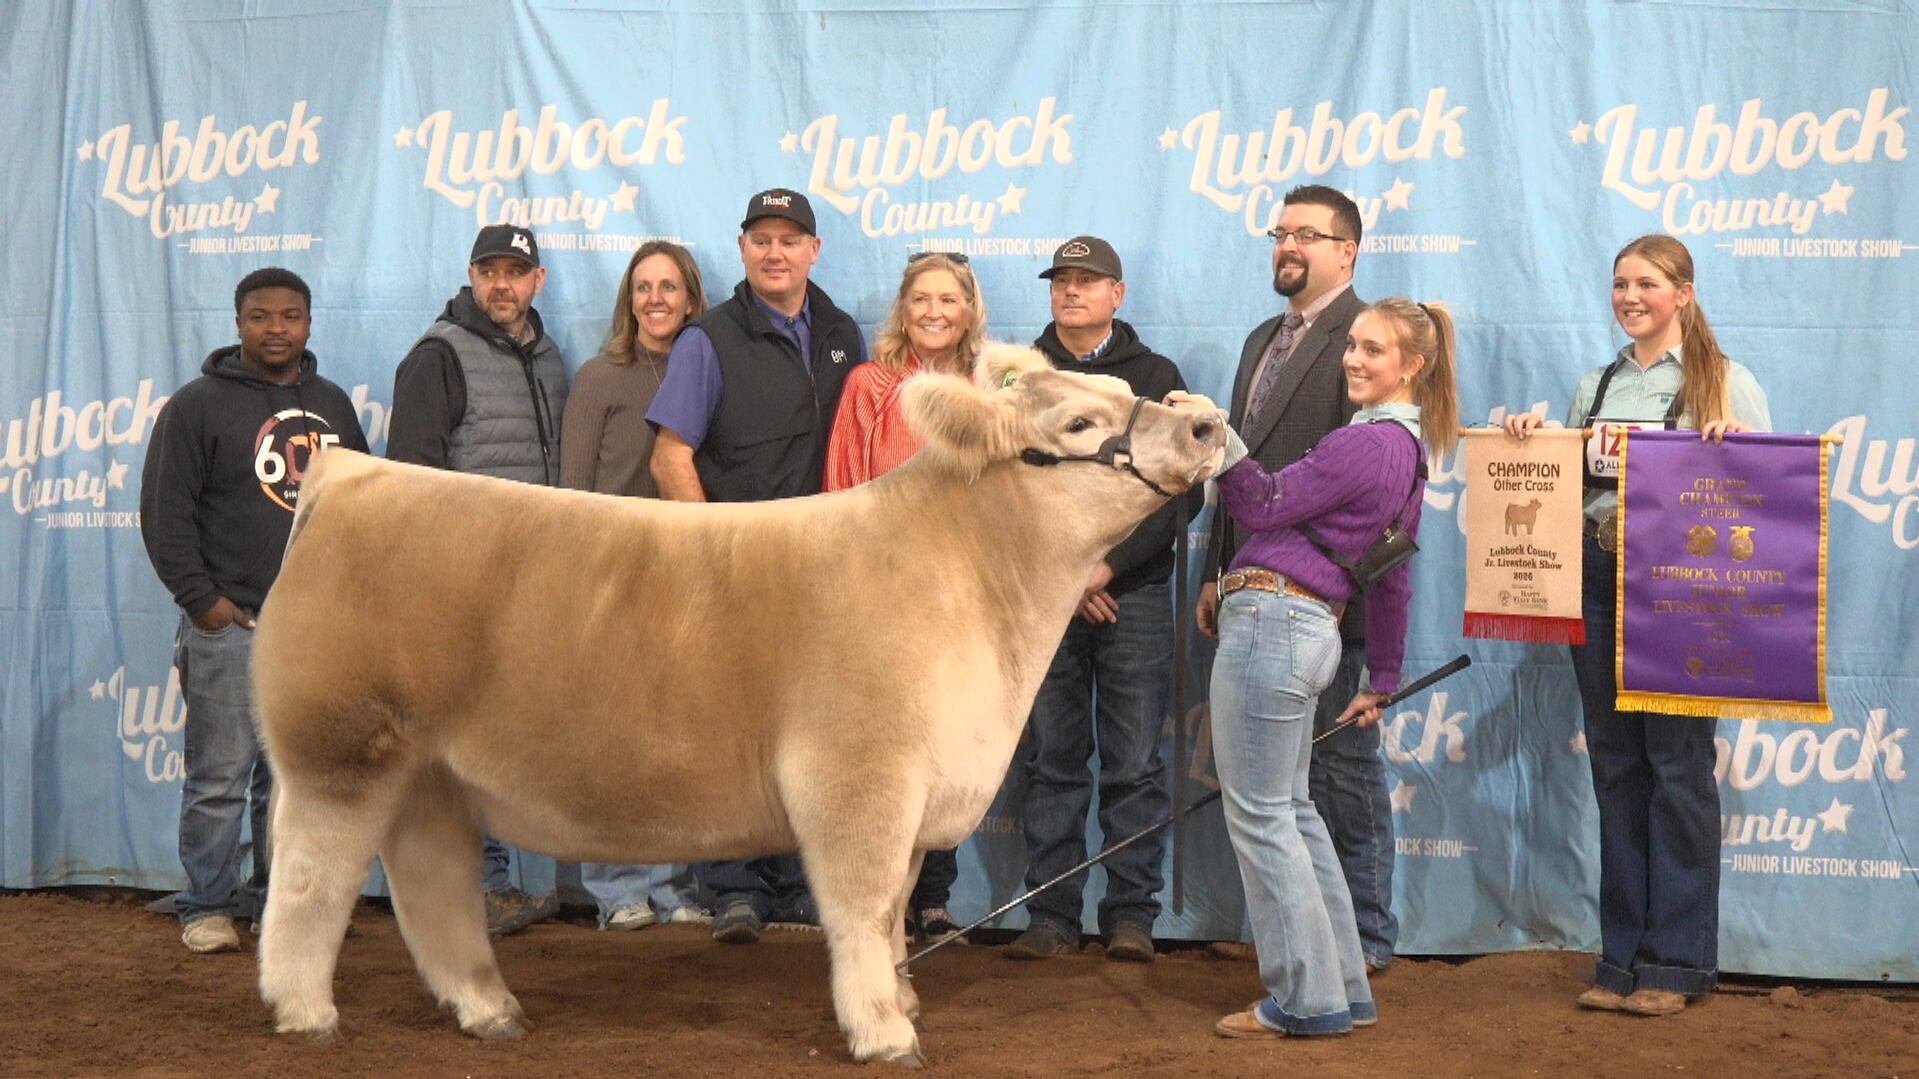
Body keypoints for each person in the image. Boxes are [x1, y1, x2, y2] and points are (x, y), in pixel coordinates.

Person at [1505, 234, 1769, 1017]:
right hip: (1594, 570)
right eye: (1619, 282)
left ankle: (1676, 963)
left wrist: (1735, 451)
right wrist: (1534, 441)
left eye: (1646, 283)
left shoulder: (1724, 381)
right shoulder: (1600, 380)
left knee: (1678, 768)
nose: (1629, 295)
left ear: (1682, 293)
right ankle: (1619, 958)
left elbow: (1757, 497)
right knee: (1617, 766)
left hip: (1680, 585)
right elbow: (1567, 478)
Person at [1196, 297, 1459, 1038]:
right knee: (1292, 809)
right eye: (1351, 344)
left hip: (1273, 624)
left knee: (1262, 815)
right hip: (1308, 629)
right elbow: (1392, 577)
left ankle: (1305, 999)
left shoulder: (1364, 444)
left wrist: (1217, 437)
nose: (1353, 358)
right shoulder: (1406, 454)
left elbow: (1262, 503)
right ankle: (1341, 985)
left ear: (1410, 365)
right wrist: (1381, 678)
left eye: (1373, 349)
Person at [646, 188, 866, 943]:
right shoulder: (707, 339)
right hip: (735, 571)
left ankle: (800, 885)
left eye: (789, 239)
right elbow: (670, 454)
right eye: (761, 238)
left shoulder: (843, 335)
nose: (775, 252)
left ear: (814, 249)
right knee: (733, 735)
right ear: (741, 248)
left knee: (813, 736)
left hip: (822, 575)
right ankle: (735, 887)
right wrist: (714, 556)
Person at [1198, 184, 1399, 973]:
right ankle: (1326, 950)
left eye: (1306, 235)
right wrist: (1218, 566)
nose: (1286, 246)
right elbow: (1236, 458)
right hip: (1253, 582)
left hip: (1323, 594)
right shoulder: (1260, 338)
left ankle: (1366, 938)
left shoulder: (1365, 338)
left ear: (1345, 251)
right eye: (1279, 233)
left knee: (1339, 772)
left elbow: (1359, 493)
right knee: (1292, 792)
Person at [140, 267, 370, 953]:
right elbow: (164, 514)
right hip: (232, 626)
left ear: (309, 322)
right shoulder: (196, 406)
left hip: (314, 630)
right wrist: (205, 604)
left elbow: (360, 510)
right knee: (219, 777)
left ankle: (284, 905)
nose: (277, 328)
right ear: (237, 323)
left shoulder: (330, 403)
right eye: (261, 316)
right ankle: (206, 904)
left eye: (290, 315)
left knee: (295, 783)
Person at [1002, 236, 1194, 964]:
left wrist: (1104, 569)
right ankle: (1049, 913)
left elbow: (1183, 485)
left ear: (1117, 294)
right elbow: (1010, 489)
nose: (1070, 292)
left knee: (1133, 760)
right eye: (1060, 280)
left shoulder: (1154, 377)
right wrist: (1067, 572)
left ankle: (1129, 914)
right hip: (1046, 595)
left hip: (1131, 595)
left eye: (1087, 281)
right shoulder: (1022, 380)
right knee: (1053, 756)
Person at [388, 223, 569, 937]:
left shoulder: (548, 357)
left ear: (537, 280)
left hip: (530, 586)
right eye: (490, 271)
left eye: (516, 272)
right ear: (470, 275)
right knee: (457, 740)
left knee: (495, 739)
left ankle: (489, 886)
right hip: (459, 584)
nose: (503, 284)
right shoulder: (437, 356)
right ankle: (472, 889)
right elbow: (410, 482)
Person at [821, 251, 987, 941]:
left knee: (951, 750)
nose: (934, 311)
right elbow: (843, 490)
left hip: (969, 603)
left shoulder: (990, 390)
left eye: (948, 299)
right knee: (889, 755)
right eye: (921, 298)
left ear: (969, 308)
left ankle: (934, 897)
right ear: (903, 307)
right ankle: (875, 907)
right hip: (885, 598)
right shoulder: (872, 383)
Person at [560, 240, 711, 930]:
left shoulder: (706, 369)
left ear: (690, 297)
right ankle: (617, 888)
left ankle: (673, 884)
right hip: (609, 578)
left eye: (669, 287)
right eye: (644, 287)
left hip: (682, 576)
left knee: (678, 739)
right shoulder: (598, 376)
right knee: (609, 741)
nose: (656, 299)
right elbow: (570, 492)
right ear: (630, 298)